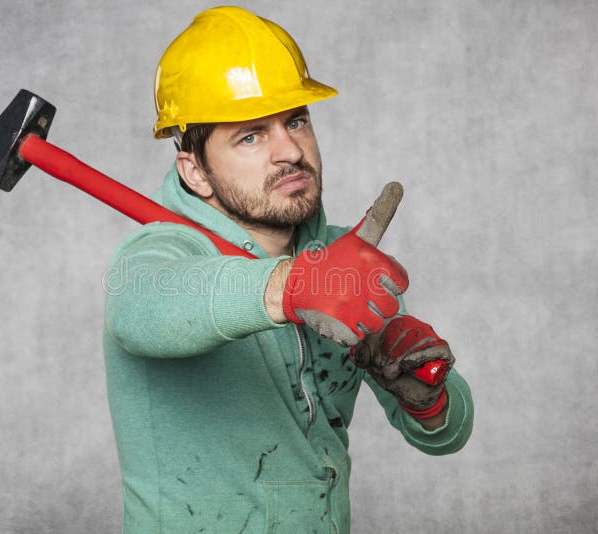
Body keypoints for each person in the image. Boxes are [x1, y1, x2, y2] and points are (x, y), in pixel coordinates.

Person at [103, 6, 473, 533]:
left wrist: (429, 398)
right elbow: (144, 310)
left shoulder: (343, 264)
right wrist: (290, 286)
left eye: (296, 120)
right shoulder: (156, 256)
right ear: (195, 170)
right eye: (251, 136)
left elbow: (449, 436)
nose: (290, 150)